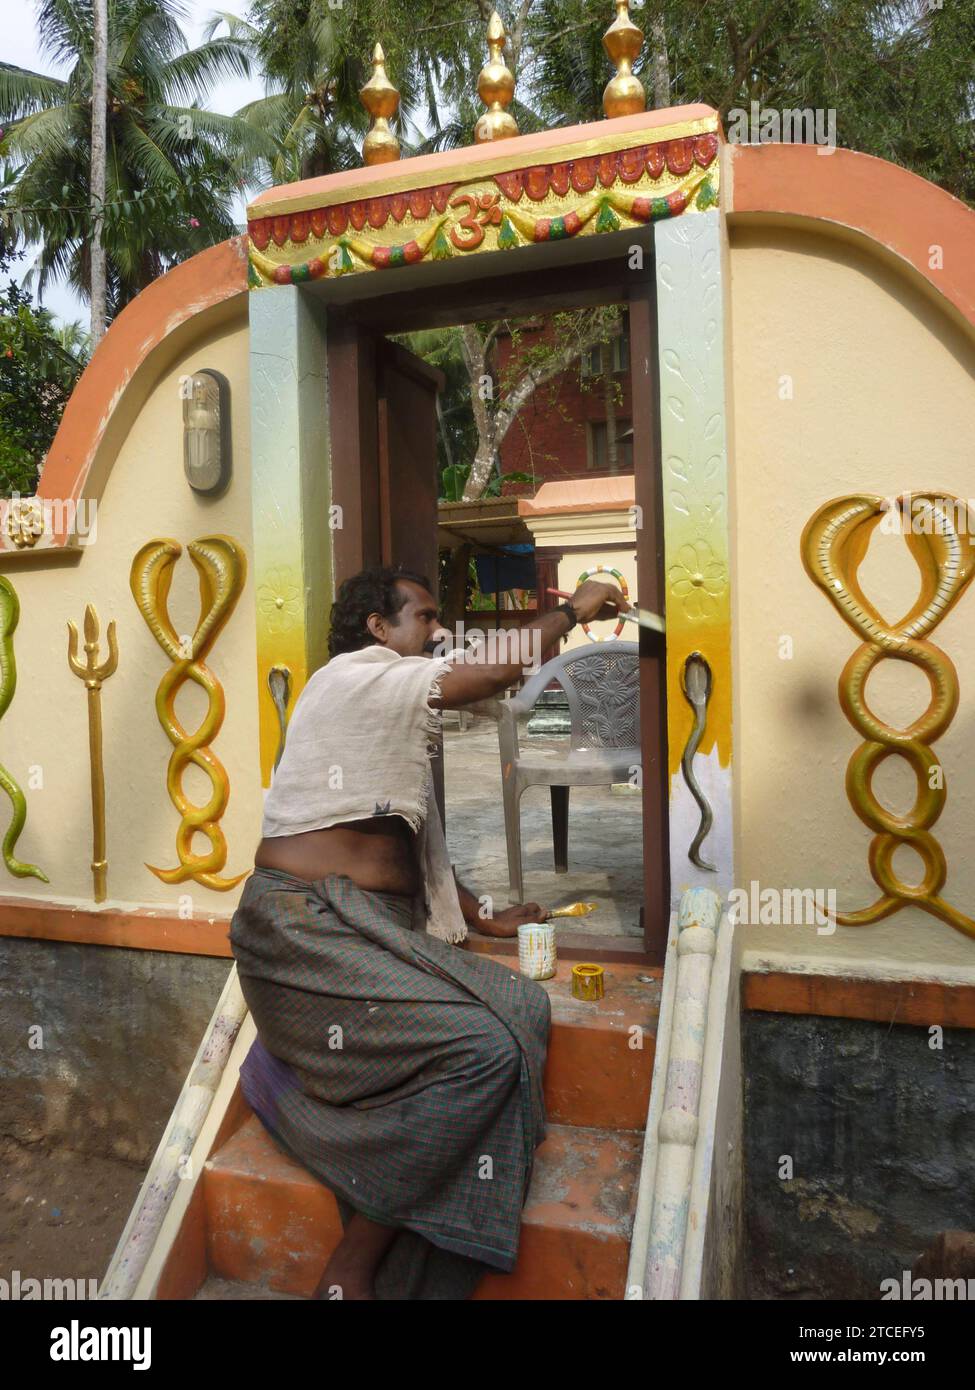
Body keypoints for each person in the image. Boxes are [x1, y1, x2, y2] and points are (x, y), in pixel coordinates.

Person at [229, 565, 627, 1300]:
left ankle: (413, 1261)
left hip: (366, 932)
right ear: (378, 629)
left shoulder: (387, 717)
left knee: (524, 1010)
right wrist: (572, 611)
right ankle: (355, 1251)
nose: (438, 631)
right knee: (478, 1051)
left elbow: (410, 846)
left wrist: (479, 915)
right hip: (303, 928)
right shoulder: (353, 677)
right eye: (423, 616)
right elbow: (481, 675)